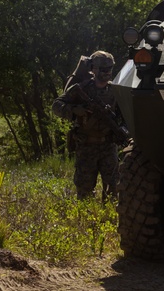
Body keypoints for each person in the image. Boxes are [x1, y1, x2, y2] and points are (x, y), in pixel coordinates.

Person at [52, 50, 125, 201]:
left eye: (110, 69)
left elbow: (125, 116)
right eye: (103, 69)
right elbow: (56, 105)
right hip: (86, 146)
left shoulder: (115, 90)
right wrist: (73, 111)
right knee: (84, 191)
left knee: (113, 191)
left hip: (108, 146)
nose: (107, 72)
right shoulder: (81, 88)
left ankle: (108, 219)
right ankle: (85, 220)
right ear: (94, 69)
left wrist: (123, 130)